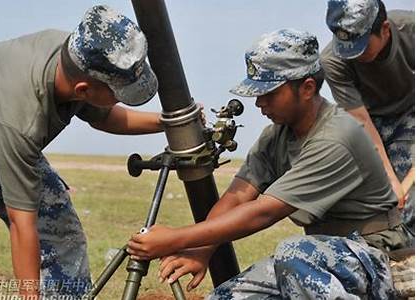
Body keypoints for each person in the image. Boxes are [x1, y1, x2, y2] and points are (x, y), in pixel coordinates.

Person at [127, 29, 413, 299]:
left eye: (270, 93)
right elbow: (237, 197)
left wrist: (175, 238)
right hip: (324, 258)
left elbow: (263, 213)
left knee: (294, 252)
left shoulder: (336, 137)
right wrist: (201, 249)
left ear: (307, 88)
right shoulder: (277, 134)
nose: (259, 103)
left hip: (379, 257)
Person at [0, 5, 162, 299]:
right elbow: (23, 225)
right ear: (83, 90)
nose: (118, 99)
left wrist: (169, 122)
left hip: (4, 140)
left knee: (61, 238)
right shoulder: (22, 115)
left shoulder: (78, 58)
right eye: (117, 93)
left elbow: (106, 117)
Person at [321, 0, 415, 234]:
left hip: (411, 111)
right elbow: (360, 121)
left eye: (360, 46)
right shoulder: (332, 60)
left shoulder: (411, 31)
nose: (351, 54)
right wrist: (391, 180)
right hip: (369, 121)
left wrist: (407, 183)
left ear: (384, 29)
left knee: (411, 202)